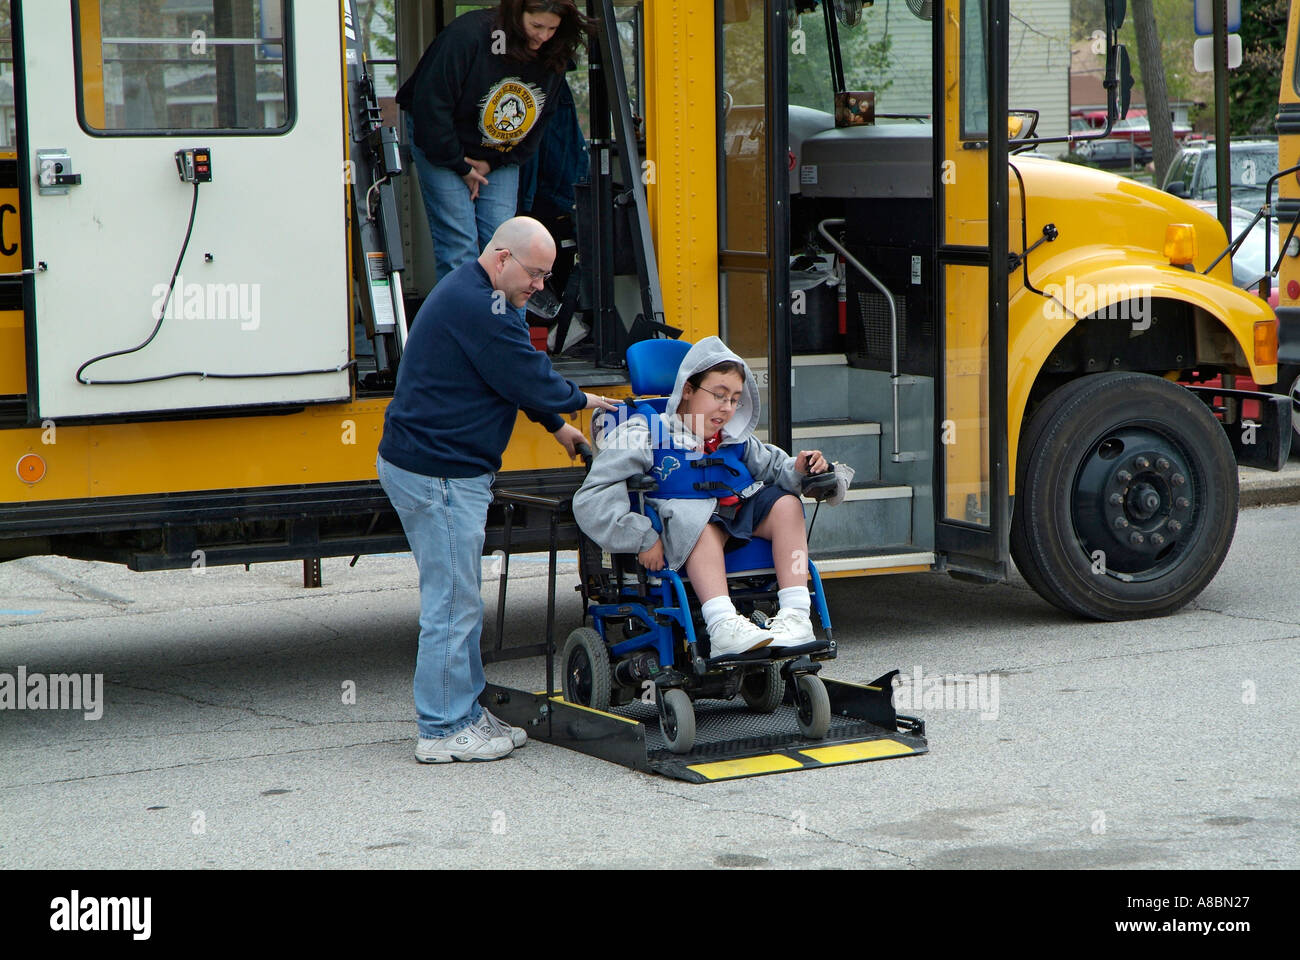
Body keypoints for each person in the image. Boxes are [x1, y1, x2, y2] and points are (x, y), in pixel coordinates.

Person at [377, 216, 617, 763]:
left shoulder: (482, 294)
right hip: (438, 474)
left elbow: (505, 374)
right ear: (503, 257)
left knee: (461, 598)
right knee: (455, 601)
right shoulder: (480, 307)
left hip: (442, 470)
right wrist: (581, 401)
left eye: (547, 277)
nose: (540, 286)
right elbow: (526, 374)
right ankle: (440, 729)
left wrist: (556, 426)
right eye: (535, 274)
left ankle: (463, 711)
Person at [573, 338, 844, 658]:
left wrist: (799, 468)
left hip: (734, 513)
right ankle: (722, 625)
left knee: (787, 504)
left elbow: (774, 468)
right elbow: (593, 496)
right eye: (718, 395)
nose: (727, 408)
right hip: (685, 528)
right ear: (688, 389)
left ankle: (796, 617)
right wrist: (642, 536)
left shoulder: (735, 438)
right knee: (700, 521)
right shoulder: (644, 431)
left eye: (734, 399)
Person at [396, 0, 591, 286]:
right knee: (459, 246)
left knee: (506, 248)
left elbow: (541, 119)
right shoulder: (467, 35)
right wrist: (459, 166)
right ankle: (463, 327)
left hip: (499, 153)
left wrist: (494, 162)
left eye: (552, 28)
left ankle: (502, 325)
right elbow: (430, 109)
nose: (543, 36)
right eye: (536, 25)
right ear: (516, 13)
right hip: (443, 141)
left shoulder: (553, 49)